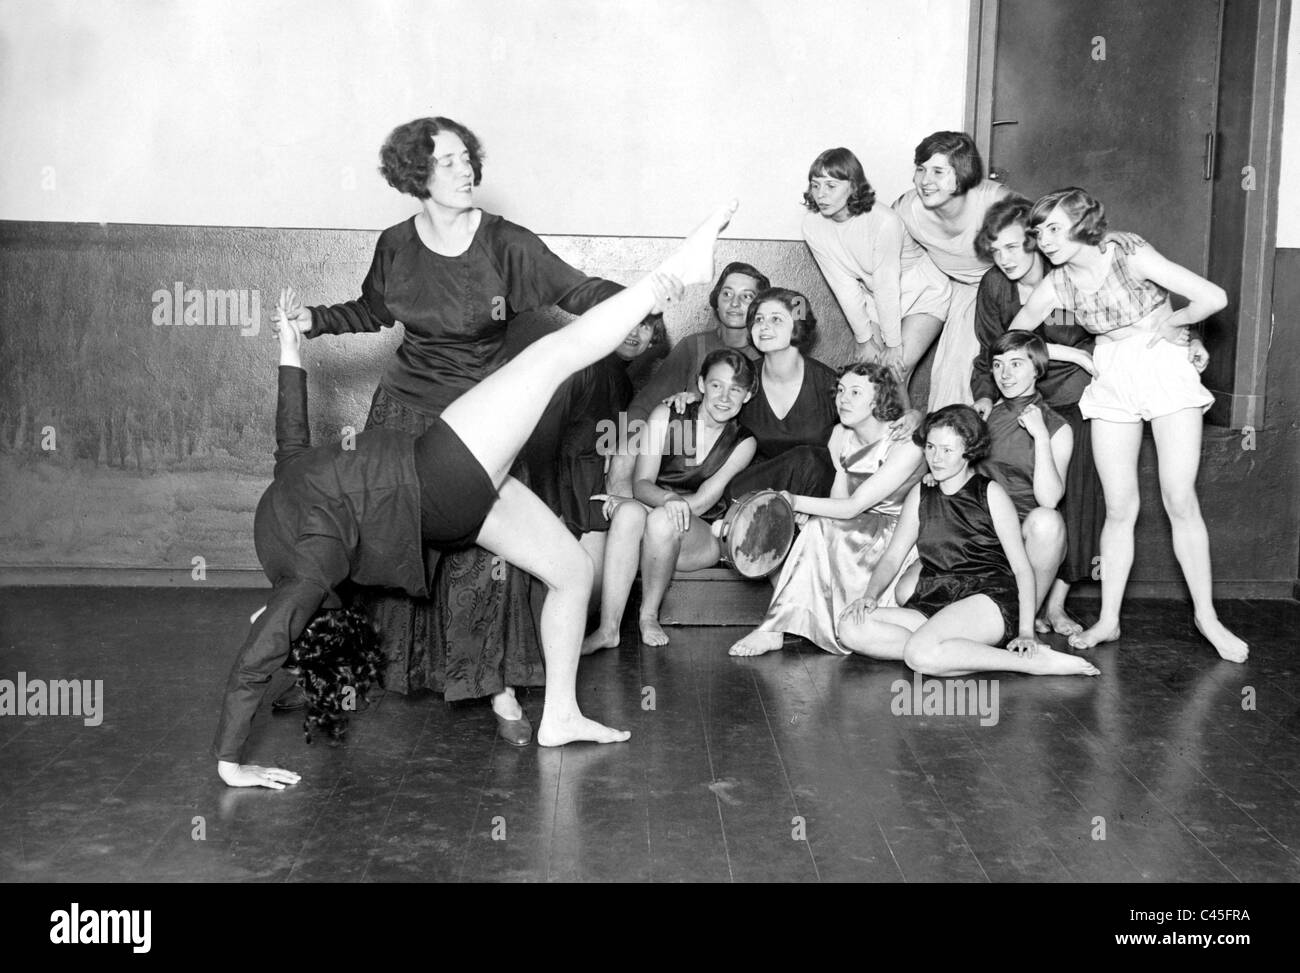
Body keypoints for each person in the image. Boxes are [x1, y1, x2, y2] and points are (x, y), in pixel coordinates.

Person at [214, 200, 737, 788]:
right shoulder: (305, 565)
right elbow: (255, 659)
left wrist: (290, 348)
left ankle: (559, 716)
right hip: (434, 480)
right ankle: (676, 273)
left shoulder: (291, 526)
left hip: (433, 485)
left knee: (568, 569)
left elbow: (290, 439)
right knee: (553, 358)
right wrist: (231, 763)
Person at [277, 117, 624, 744]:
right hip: (402, 417)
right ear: (417, 175)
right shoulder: (394, 244)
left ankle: (499, 685)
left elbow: (578, 289)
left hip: (484, 425)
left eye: (468, 158)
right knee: (391, 550)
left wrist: (641, 298)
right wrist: (314, 319)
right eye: (446, 162)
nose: (465, 171)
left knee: (489, 562)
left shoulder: (504, 243)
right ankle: (356, 671)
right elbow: (374, 309)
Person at [1007, 187, 1247, 663]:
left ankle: (1207, 617)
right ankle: (1109, 620)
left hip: (1163, 364)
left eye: (1055, 227)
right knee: (1119, 508)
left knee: (1179, 497)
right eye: (1039, 230)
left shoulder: (1129, 253)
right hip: (1111, 371)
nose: (1045, 239)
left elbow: (1213, 297)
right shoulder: (1056, 285)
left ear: (1083, 223)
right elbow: (1013, 337)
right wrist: (1075, 352)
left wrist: (1178, 323)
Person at [837, 406, 1099, 677]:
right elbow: (893, 557)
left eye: (947, 450)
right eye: (930, 447)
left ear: (969, 451)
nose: (936, 458)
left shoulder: (991, 494)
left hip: (986, 598)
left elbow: (1021, 569)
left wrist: (1026, 633)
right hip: (935, 597)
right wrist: (869, 597)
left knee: (920, 654)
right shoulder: (920, 495)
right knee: (850, 626)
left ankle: (1031, 662)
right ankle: (950, 652)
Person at [728, 362, 924, 657]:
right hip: (857, 526)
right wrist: (810, 513)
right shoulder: (839, 435)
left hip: (896, 536)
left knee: (819, 526)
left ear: (879, 399)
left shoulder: (905, 443)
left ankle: (773, 629)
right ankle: (782, 626)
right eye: (841, 390)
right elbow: (839, 499)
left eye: (856, 392)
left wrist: (793, 500)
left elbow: (853, 506)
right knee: (814, 526)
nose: (844, 399)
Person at [583, 349, 758, 651]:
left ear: (747, 395)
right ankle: (608, 629)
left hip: (699, 535)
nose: (724, 397)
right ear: (701, 384)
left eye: (736, 389)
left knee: (660, 518)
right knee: (629, 515)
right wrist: (660, 499)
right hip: (656, 520)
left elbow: (703, 502)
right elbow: (641, 484)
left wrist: (662, 505)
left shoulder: (744, 441)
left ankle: (648, 616)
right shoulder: (668, 415)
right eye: (717, 385)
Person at [522, 313, 667, 608]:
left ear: (654, 338)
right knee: (554, 599)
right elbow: (540, 444)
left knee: (587, 603)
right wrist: (552, 511)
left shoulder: (623, 383)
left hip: (590, 496)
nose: (635, 333)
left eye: (646, 326)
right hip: (554, 494)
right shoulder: (580, 368)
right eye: (630, 320)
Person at [802, 147, 951, 399]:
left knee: (894, 371)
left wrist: (893, 345)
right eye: (815, 186)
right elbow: (842, 285)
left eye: (831, 186)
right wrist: (863, 338)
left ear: (852, 186)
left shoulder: (883, 220)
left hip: (923, 291)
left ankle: (905, 435)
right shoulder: (813, 225)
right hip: (876, 297)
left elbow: (887, 285)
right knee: (869, 373)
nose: (821, 195)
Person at [893, 132, 1011, 410]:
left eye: (937, 171)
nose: (925, 180)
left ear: (962, 175)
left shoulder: (993, 200)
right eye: (920, 169)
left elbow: (1049, 226)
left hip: (997, 286)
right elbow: (884, 262)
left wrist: (1099, 237)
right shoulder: (907, 208)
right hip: (942, 284)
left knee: (968, 370)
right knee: (900, 364)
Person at [978, 331, 1073, 618]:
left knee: (1048, 521)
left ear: (1037, 369)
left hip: (1024, 535)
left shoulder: (1057, 427)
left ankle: (1024, 618)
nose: (1004, 374)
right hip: (978, 528)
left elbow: (1049, 499)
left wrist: (1041, 436)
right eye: (997, 364)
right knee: (906, 592)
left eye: (1016, 364)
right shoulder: (982, 414)